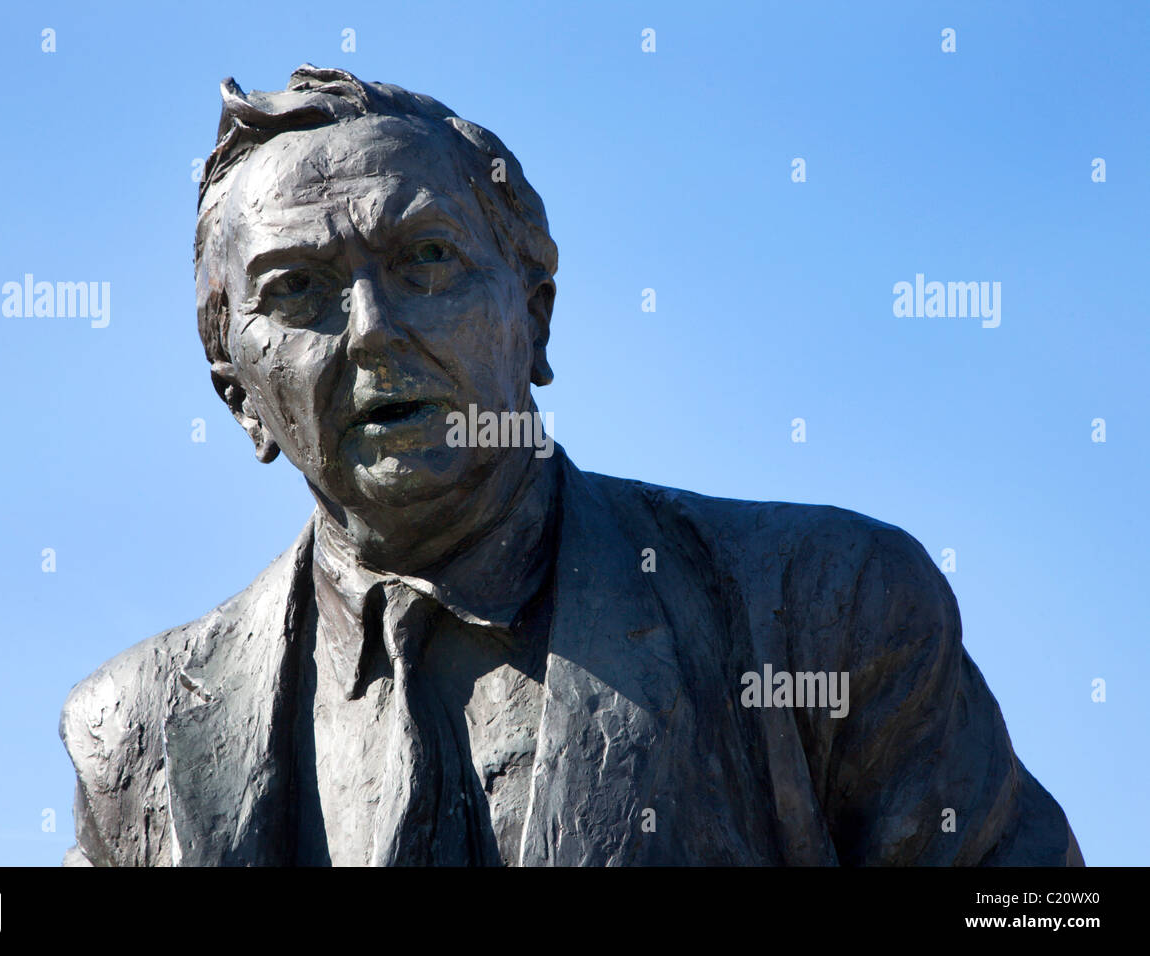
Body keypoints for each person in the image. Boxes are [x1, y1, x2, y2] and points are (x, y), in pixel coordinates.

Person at [60, 65, 1082, 866]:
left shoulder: (822, 605)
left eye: (427, 261)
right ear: (236, 390)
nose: (372, 332)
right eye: (298, 288)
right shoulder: (134, 730)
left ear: (534, 313)